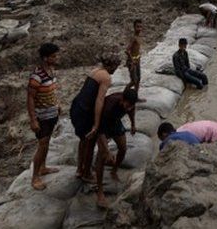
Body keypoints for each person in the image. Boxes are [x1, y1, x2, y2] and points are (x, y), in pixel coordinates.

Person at [69, 51, 121, 183]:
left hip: (76, 107)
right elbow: (99, 101)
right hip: (85, 111)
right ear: (111, 65)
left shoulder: (95, 71)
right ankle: (86, 173)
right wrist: (96, 124)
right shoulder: (106, 77)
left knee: (83, 140)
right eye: (116, 66)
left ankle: (79, 169)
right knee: (90, 142)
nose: (116, 69)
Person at [93, 87, 138, 208]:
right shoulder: (109, 106)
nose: (128, 108)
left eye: (131, 106)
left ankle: (114, 170)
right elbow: (101, 132)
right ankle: (100, 192)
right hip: (102, 124)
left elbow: (131, 111)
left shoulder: (130, 104)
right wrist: (107, 151)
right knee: (101, 156)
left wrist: (133, 124)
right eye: (127, 105)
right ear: (122, 99)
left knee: (123, 148)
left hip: (115, 122)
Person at [27, 42, 61, 190]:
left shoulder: (51, 71)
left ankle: (43, 167)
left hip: (52, 114)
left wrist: (57, 104)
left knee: (46, 143)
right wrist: (33, 120)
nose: (56, 58)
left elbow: (52, 90)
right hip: (42, 117)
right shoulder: (37, 76)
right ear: (46, 58)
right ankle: (35, 177)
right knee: (42, 145)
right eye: (54, 56)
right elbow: (30, 98)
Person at [126, 20, 143, 93]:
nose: (139, 28)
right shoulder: (134, 38)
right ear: (134, 27)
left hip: (137, 60)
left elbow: (136, 49)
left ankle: (136, 95)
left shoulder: (139, 37)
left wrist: (138, 57)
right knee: (133, 81)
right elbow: (127, 50)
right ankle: (125, 93)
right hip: (132, 62)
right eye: (137, 27)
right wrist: (132, 60)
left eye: (140, 27)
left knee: (138, 79)